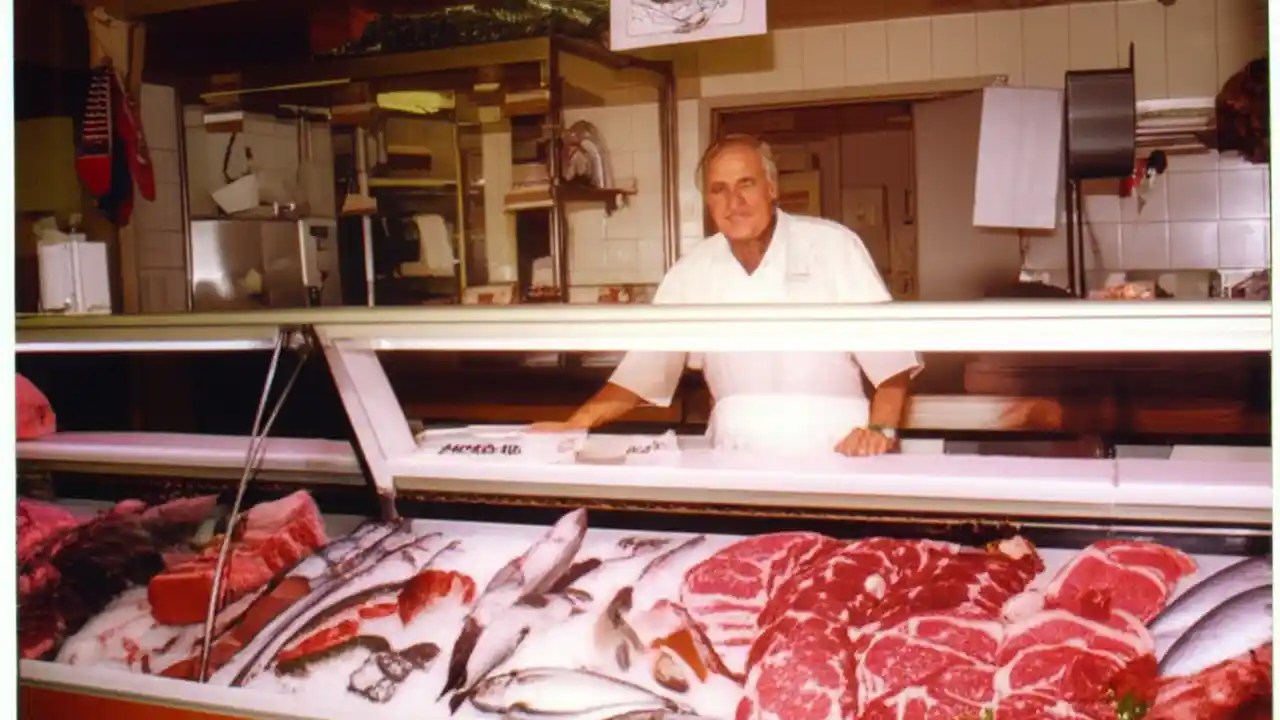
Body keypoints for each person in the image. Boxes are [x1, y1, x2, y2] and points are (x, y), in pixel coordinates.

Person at [535, 134, 922, 457]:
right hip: (736, 457)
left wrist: (880, 429)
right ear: (708, 201)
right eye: (719, 190)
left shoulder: (833, 245)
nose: (733, 202)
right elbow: (643, 370)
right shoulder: (692, 271)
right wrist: (573, 425)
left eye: (746, 185)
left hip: (839, 452)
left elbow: (891, 362)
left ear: (772, 188)